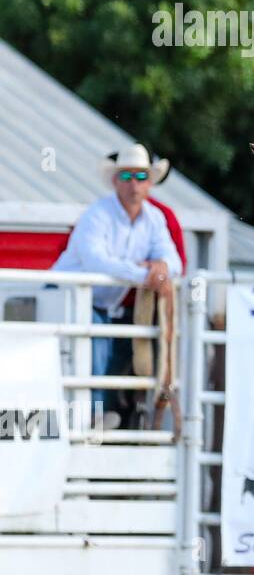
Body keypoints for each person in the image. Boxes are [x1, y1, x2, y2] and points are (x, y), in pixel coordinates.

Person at [51, 144, 182, 426]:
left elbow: (174, 262)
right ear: (115, 181)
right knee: (98, 342)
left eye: (140, 176)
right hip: (63, 295)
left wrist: (160, 268)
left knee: (107, 350)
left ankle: (93, 415)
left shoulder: (154, 219)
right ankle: (92, 416)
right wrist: (146, 273)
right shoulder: (97, 214)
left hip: (98, 303)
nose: (133, 184)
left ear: (149, 182)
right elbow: (96, 261)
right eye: (126, 177)